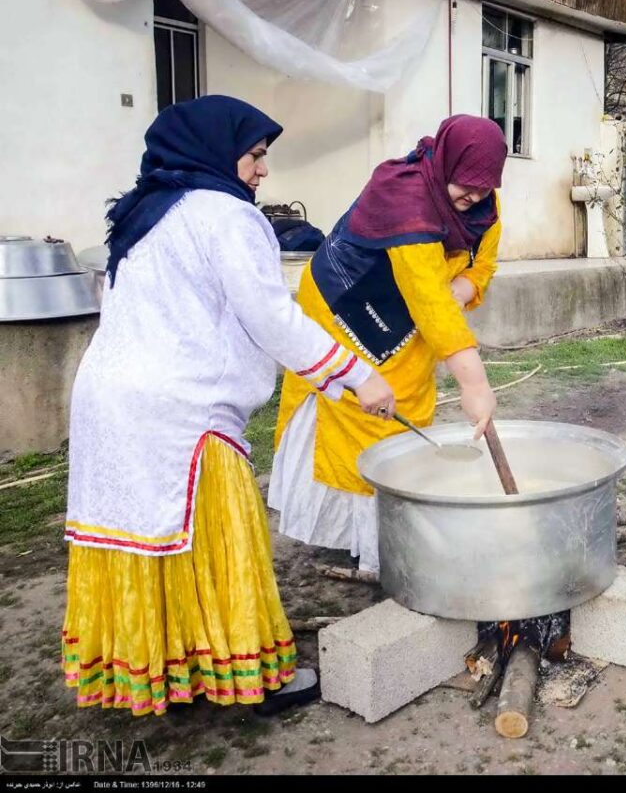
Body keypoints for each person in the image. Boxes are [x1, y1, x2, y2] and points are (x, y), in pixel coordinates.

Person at [61, 95, 396, 717]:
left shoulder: (145, 214)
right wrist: (357, 375)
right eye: (256, 155)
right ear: (220, 152)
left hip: (109, 401)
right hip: (180, 410)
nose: (263, 171)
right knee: (217, 541)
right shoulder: (226, 215)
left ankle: (167, 672)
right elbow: (270, 316)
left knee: (145, 541)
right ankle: (248, 678)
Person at [269, 115, 505, 574]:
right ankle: (371, 542)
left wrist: (465, 288)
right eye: (467, 185)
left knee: (409, 404)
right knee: (366, 410)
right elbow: (428, 301)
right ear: (447, 160)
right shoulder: (407, 197)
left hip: (413, 312)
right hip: (347, 305)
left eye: (483, 187)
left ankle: (385, 525)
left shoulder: (482, 208)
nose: (474, 197)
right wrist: (475, 385)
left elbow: (482, 266)